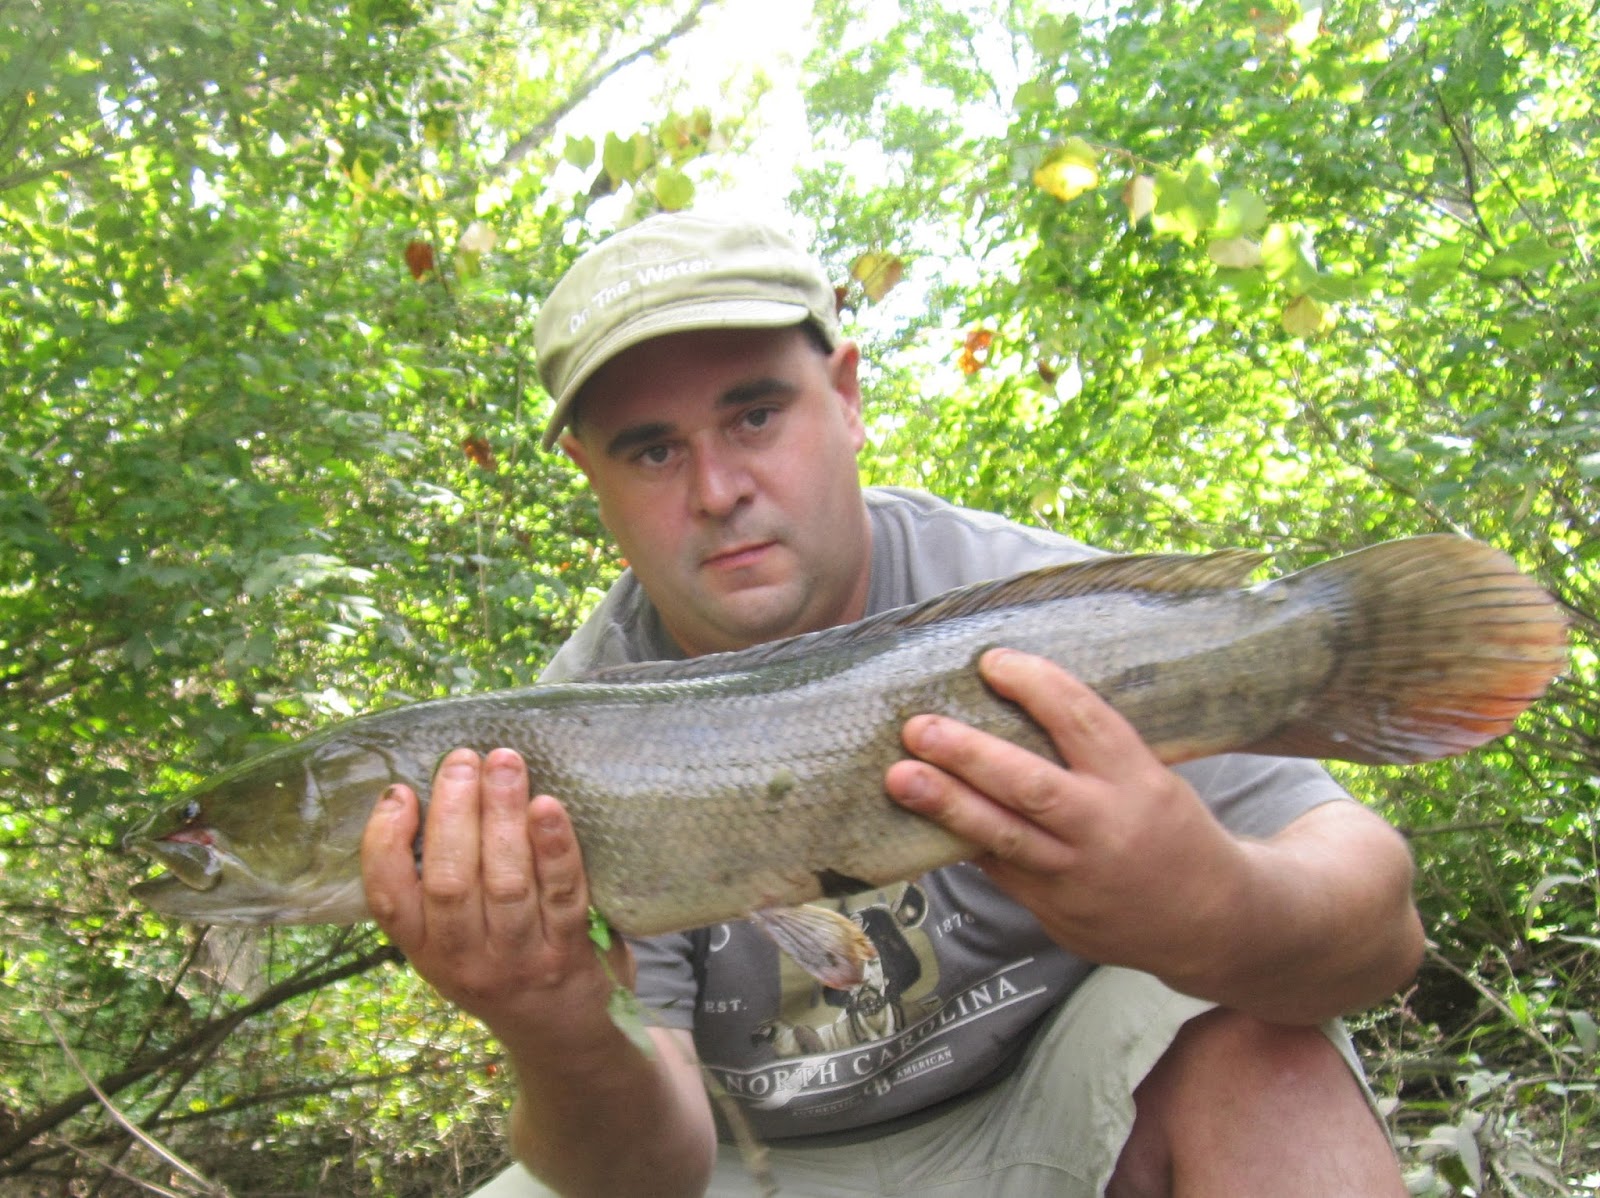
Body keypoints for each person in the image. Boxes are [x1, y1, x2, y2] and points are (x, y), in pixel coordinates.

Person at [360, 211, 1425, 1197]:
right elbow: (647, 1166)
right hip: (755, 1161)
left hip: (1060, 1111)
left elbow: (1378, 926)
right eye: (650, 448)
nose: (716, 488)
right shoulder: (544, 751)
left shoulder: (1041, 607)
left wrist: (1211, 904)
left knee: (1263, 1051)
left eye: (755, 414)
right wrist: (558, 1024)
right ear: (586, 470)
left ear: (849, 396)